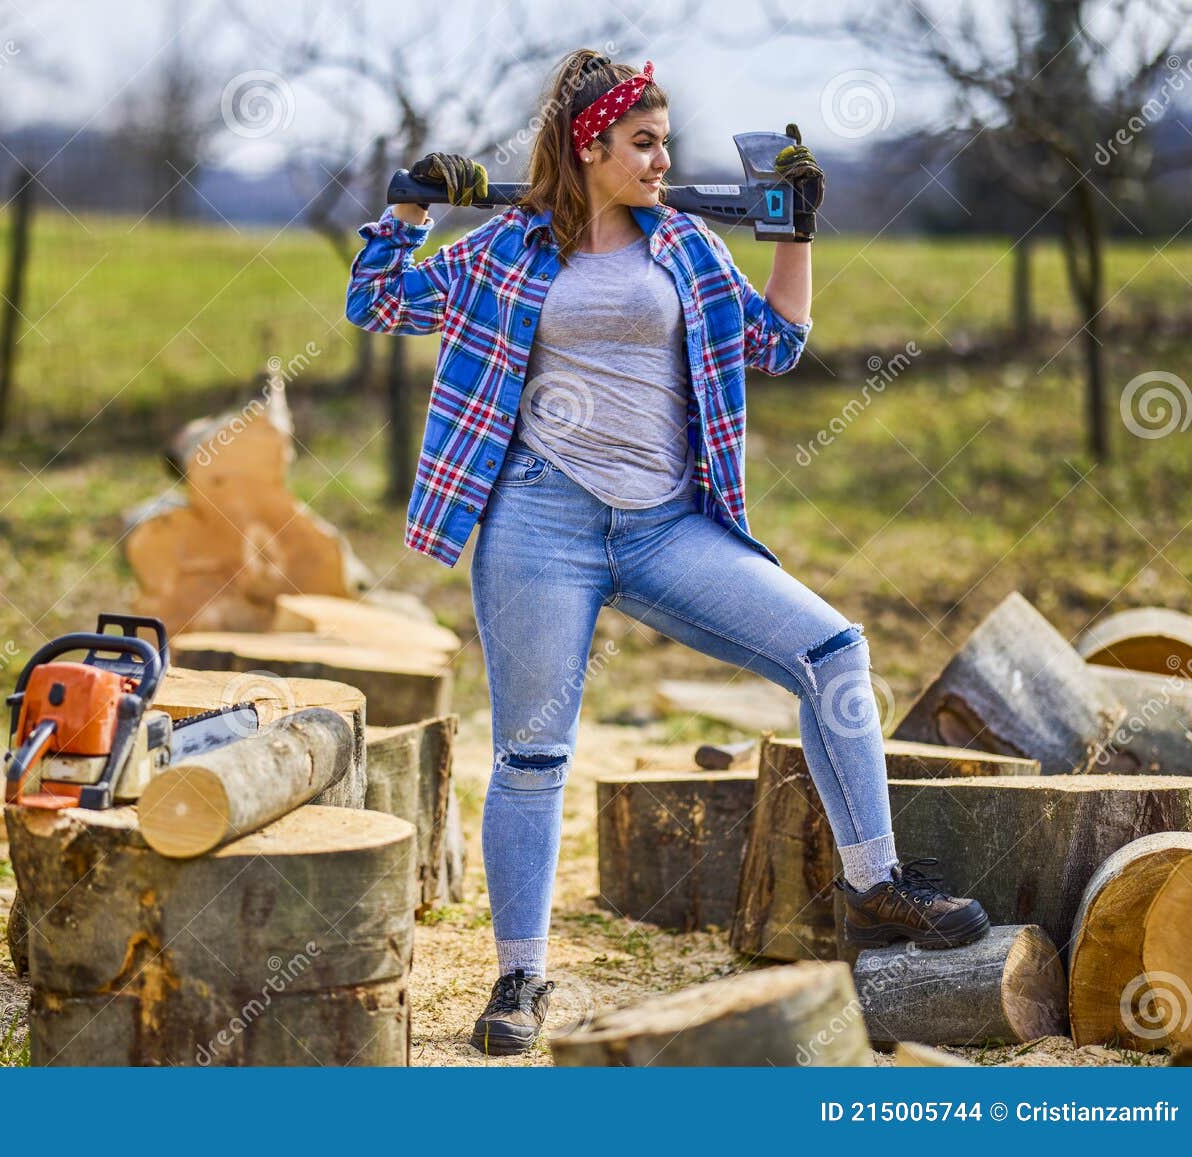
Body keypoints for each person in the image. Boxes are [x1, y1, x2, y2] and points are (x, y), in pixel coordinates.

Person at [344, 48, 989, 1058]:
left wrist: (793, 230)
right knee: (531, 753)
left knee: (832, 652)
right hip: (536, 527)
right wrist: (408, 210)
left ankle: (874, 885)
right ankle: (519, 975)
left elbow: (774, 343)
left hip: (664, 525)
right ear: (588, 146)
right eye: (642, 142)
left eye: (666, 144)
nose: (660, 159)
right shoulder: (502, 250)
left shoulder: (685, 247)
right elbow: (375, 303)